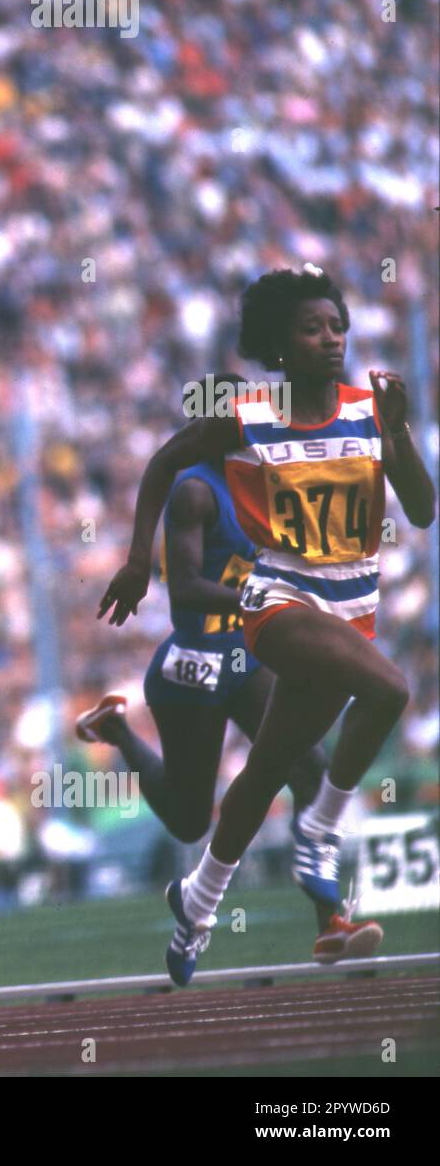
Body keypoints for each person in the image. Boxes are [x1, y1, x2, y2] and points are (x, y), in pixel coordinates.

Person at [99, 266, 436, 986]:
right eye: (312, 329)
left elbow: (423, 509)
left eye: (337, 326)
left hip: (352, 611)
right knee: (391, 692)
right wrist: (136, 562)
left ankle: (197, 902)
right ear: (278, 344)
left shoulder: (369, 411)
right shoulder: (250, 413)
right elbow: (163, 462)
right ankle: (319, 833)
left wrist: (400, 431)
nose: (330, 339)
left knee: (267, 769)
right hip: (278, 601)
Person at [76, 373, 364, 953]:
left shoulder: (271, 473)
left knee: (308, 763)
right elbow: (183, 589)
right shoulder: (197, 488)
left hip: (245, 655)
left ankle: (330, 920)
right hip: (193, 661)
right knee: (188, 820)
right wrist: (265, 598)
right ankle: (117, 731)